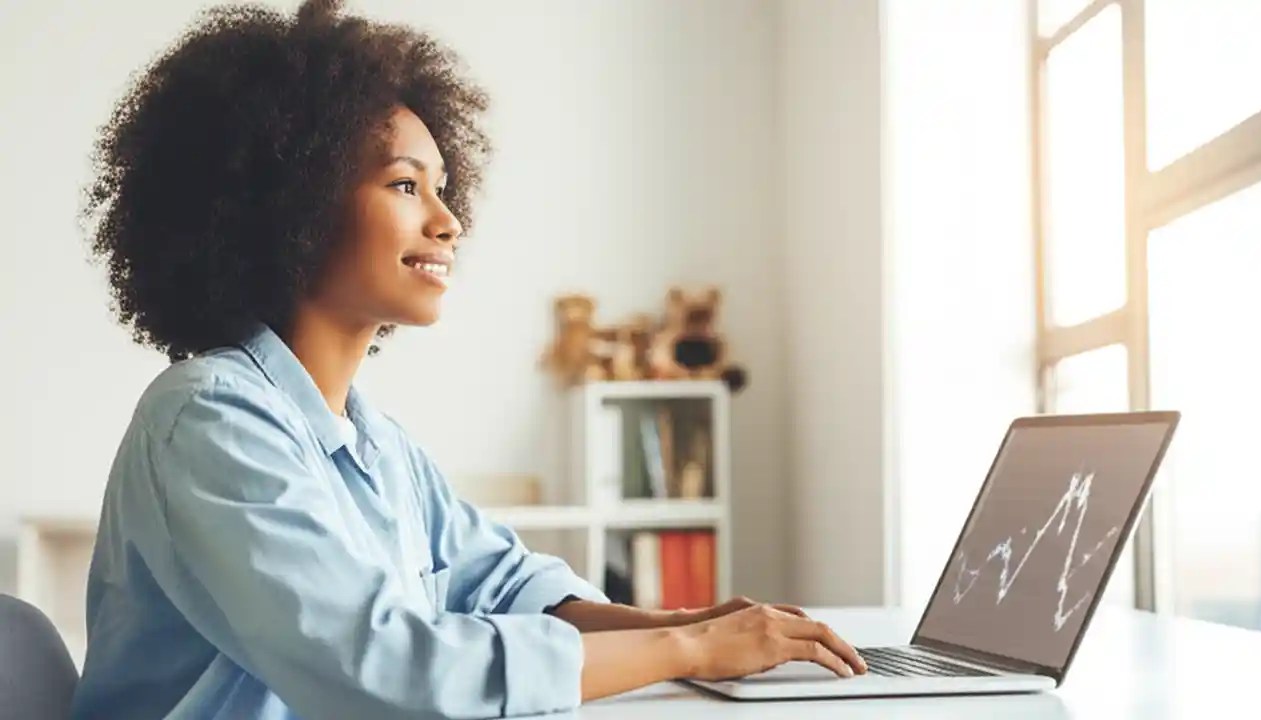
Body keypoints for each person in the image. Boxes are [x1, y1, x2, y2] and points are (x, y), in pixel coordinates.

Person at [70, 1, 866, 717]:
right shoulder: (207, 419)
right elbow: (386, 670)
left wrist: (695, 624)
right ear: (293, 203)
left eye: (445, 186)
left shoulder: (375, 446)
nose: (449, 221)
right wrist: (690, 653)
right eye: (406, 185)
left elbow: (508, 587)